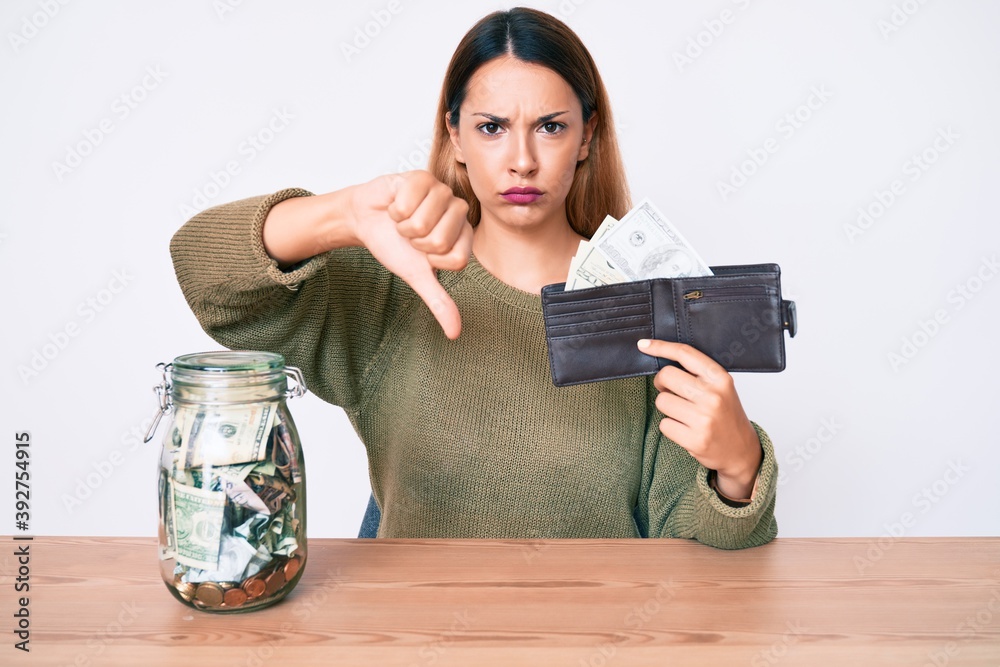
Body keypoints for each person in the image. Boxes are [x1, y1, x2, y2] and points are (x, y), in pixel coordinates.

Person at [170, 7, 777, 548]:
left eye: (551, 126)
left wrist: (738, 470)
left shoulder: (652, 309)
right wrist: (342, 213)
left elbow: (697, 557)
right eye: (491, 127)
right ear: (454, 135)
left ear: (587, 136)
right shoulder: (393, 284)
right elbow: (204, 270)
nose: (522, 159)